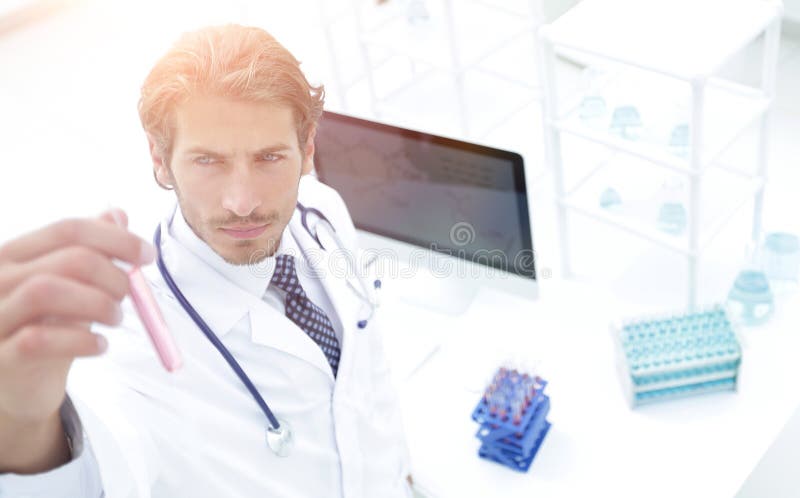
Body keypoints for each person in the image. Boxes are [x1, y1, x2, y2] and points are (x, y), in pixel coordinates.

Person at [0, 24, 413, 497]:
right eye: (207, 162)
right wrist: (20, 426)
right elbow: (88, 478)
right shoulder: (135, 342)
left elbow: (365, 372)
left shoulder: (324, 212)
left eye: (269, 157)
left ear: (308, 149)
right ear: (159, 159)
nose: (242, 201)